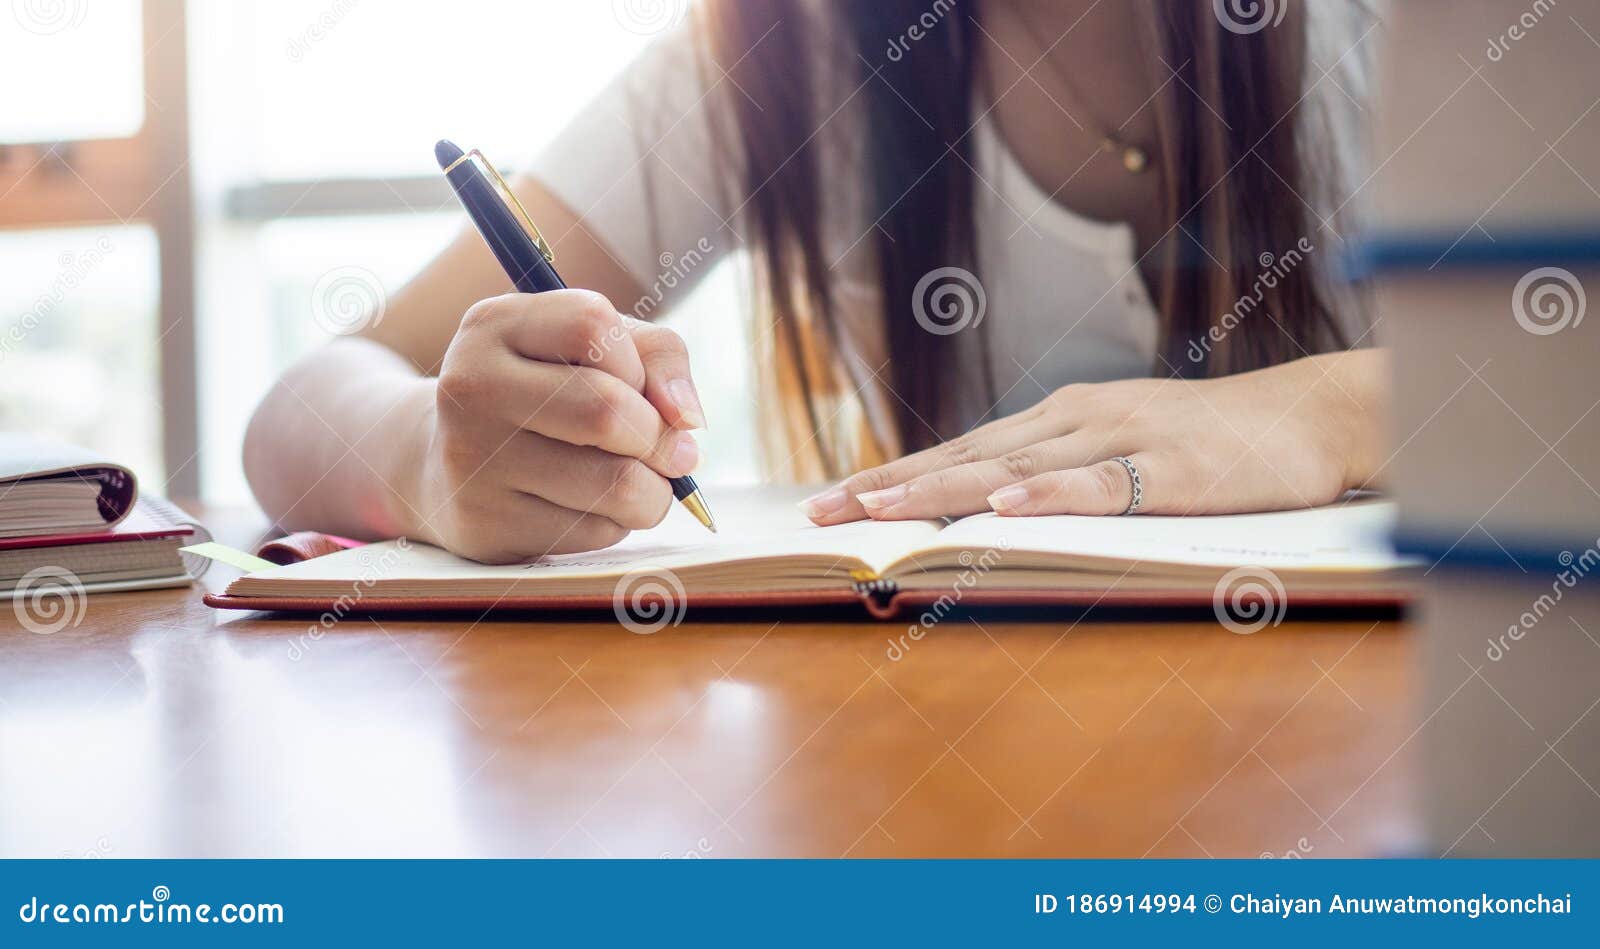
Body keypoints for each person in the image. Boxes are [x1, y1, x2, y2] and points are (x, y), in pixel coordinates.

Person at [244, 0, 1385, 564]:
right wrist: (428, 462)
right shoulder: (773, 57)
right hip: (956, 743)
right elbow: (303, 409)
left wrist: (1336, 410)